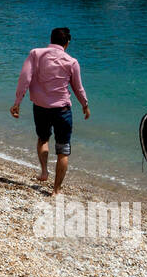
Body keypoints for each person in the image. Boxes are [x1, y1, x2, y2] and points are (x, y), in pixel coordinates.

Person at [10, 27, 90, 195]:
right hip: (62, 110)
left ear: (51, 40)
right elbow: (78, 88)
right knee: (63, 150)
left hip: (40, 108)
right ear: (67, 43)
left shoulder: (35, 54)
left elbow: (25, 78)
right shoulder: (72, 62)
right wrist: (85, 105)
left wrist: (17, 102)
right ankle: (56, 190)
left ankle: (44, 171)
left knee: (43, 138)